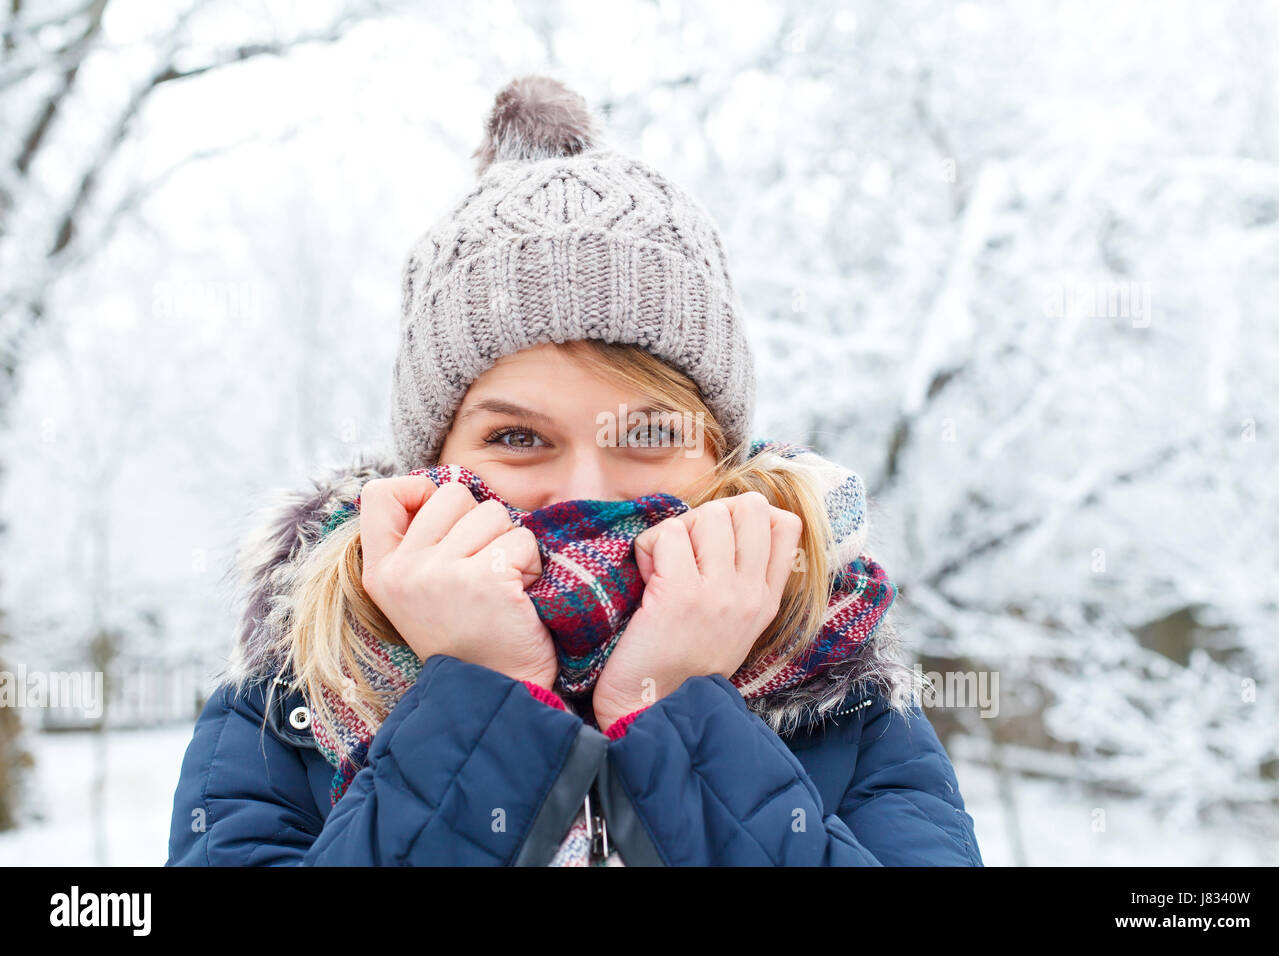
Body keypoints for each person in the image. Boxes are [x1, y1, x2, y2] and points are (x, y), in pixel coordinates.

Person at [166, 74, 983, 867]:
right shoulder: (289, 705)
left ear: (723, 458)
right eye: (519, 438)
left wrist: (675, 707)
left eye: (651, 430)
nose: (588, 492)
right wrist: (486, 697)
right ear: (432, 467)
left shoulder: (841, 696)